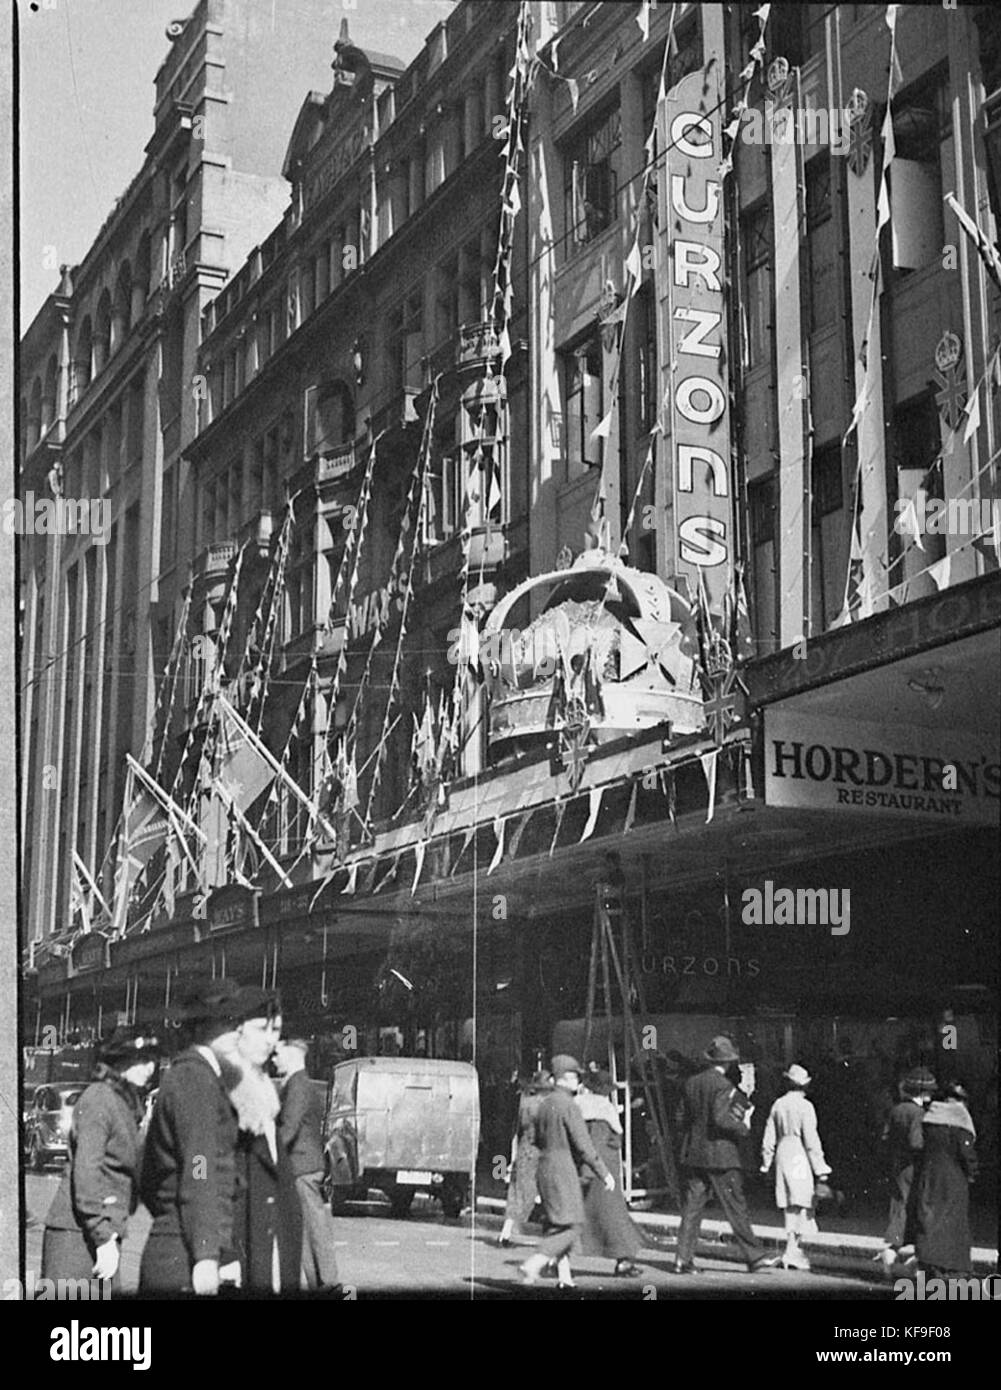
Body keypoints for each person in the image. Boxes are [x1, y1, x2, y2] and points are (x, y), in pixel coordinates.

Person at [139, 978, 250, 1294]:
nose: (238, 1030)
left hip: (182, 1245)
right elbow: (198, 1168)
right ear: (202, 1027)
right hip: (184, 1257)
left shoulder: (196, 1075)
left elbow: (149, 1174)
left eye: (239, 1021)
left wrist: (218, 1249)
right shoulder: (195, 1079)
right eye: (228, 1021)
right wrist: (205, 1253)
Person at [42, 1025, 161, 1290]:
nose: (149, 1067)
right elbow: (87, 1173)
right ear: (119, 1062)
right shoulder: (100, 1099)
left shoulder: (126, 1105)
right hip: (77, 1236)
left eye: (152, 1060)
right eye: (141, 1060)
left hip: (101, 1232)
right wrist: (103, 1237)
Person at [214, 991, 303, 1294]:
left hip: (273, 1236)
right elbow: (211, 1177)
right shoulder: (225, 1089)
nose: (269, 1040)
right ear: (237, 1029)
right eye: (261, 1029)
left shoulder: (264, 1089)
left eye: (275, 1031)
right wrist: (223, 1252)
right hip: (244, 1240)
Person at [674, 1036, 781, 1275]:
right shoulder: (724, 1086)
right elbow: (722, 1119)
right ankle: (755, 1256)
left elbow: (680, 1118)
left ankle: (682, 1259)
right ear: (729, 1063)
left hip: (694, 1154)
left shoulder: (691, 1083)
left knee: (692, 1208)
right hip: (721, 1155)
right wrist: (744, 1127)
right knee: (736, 1206)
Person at [518, 1055, 615, 1290]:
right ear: (566, 1078)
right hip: (563, 1168)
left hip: (544, 1165)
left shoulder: (545, 1104)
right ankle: (535, 1262)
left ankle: (565, 1277)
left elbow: (537, 1138)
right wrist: (604, 1172)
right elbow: (583, 1145)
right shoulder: (569, 1105)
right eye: (576, 1077)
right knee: (574, 1224)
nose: (578, 1082)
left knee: (556, 1223)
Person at [275, 1036, 342, 1294]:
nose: (274, 1057)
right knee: (302, 1230)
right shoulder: (297, 1084)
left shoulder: (297, 1086)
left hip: (302, 1166)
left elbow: (288, 1129)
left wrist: (264, 1154)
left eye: (278, 1053)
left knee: (314, 1227)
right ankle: (319, 1283)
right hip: (300, 1166)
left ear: (292, 1055)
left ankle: (328, 1281)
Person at [760, 1064, 831, 1271]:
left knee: (789, 1203)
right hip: (800, 1154)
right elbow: (811, 1139)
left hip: (783, 1153)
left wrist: (767, 1162)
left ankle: (791, 1248)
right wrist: (820, 1167)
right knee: (803, 1202)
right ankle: (793, 1250)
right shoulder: (805, 1106)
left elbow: (769, 1136)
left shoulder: (778, 1104)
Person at [576, 1070, 645, 1278]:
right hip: (605, 1168)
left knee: (577, 1214)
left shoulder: (577, 1104)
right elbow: (614, 1139)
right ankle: (623, 1260)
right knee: (613, 1216)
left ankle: (555, 1255)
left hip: (582, 1166)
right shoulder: (606, 1108)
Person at [908, 1080, 978, 1277]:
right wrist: (972, 1172)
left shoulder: (930, 1117)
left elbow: (917, 1144)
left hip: (929, 1176)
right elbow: (966, 1153)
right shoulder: (961, 1119)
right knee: (953, 1222)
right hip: (954, 1179)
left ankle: (928, 1262)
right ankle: (953, 1267)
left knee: (929, 1218)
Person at [877, 1066, 936, 1269]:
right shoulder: (918, 1113)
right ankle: (908, 1253)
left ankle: (891, 1249)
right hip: (914, 1165)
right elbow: (916, 1142)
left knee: (900, 1204)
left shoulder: (897, 1110)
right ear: (923, 1093)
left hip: (898, 1165)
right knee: (916, 1206)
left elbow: (885, 1137)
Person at [498, 1070, 552, 1248]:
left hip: (524, 1148)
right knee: (544, 1193)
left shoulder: (525, 1102)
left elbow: (518, 1127)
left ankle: (506, 1232)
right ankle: (552, 1235)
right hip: (540, 1151)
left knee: (517, 1192)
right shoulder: (546, 1105)